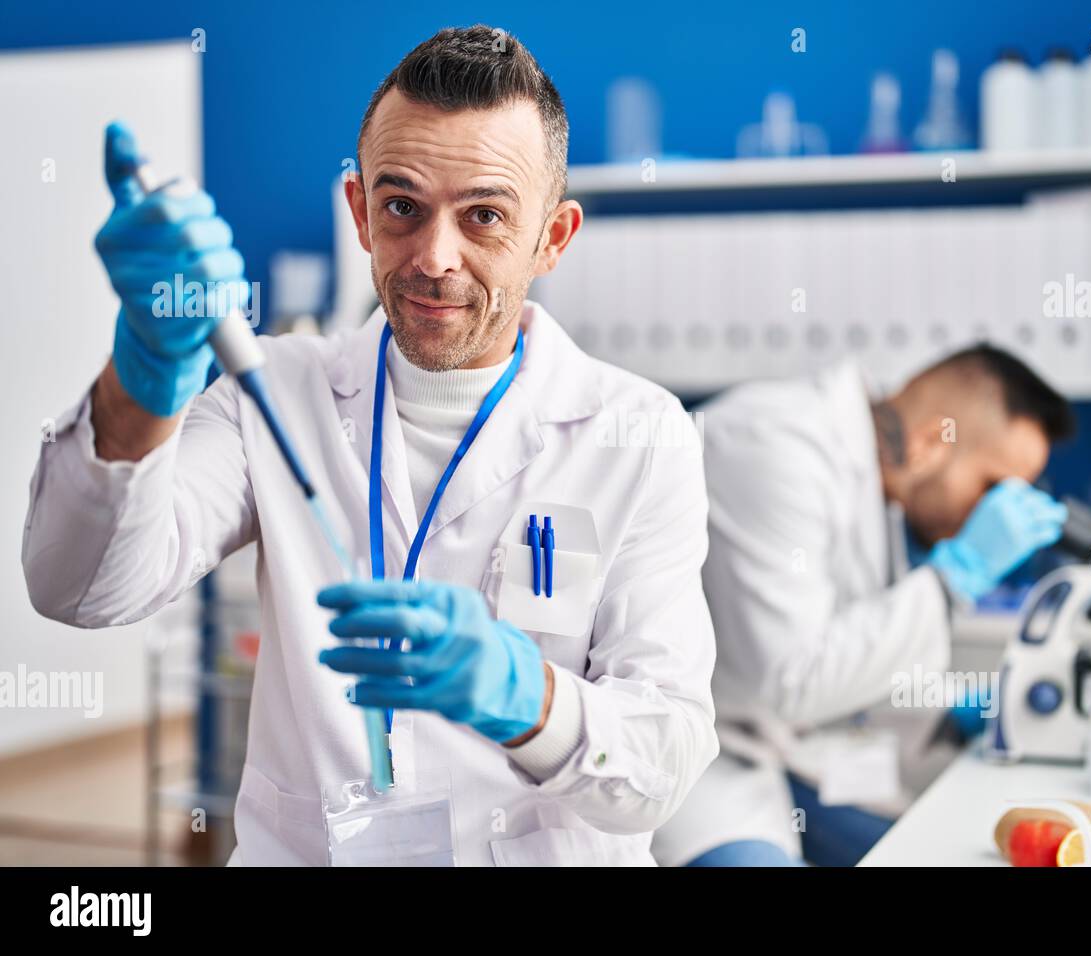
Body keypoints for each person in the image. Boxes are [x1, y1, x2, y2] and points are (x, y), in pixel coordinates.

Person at [23, 26, 718, 866]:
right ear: (359, 211)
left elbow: (668, 757)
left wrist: (525, 700)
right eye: (402, 207)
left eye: (485, 216)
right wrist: (145, 369)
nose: (434, 258)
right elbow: (79, 589)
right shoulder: (271, 394)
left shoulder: (640, 436)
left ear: (553, 238)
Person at [652, 345, 1076, 866]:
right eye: (990, 487)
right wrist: (949, 582)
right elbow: (791, 677)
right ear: (928, 443)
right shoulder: (773, 444)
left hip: (786, 752)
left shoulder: (885, 490)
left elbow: (853, 650)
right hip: (691, 757)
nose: (989, 512)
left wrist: (957, 707)